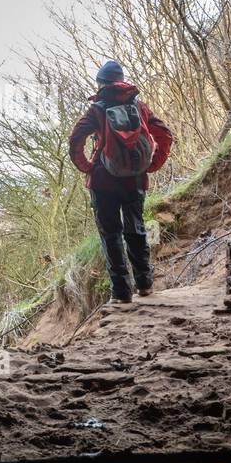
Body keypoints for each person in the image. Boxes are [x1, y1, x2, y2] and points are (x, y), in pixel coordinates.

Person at [67, 60, 173, 304]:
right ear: (122, 81)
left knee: (111, 235)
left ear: (102, 84)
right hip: (135, 179)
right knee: (136, 229)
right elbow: (164, 134)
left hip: (103, 181)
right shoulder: (140, 107)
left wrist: (88, 167)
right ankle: (145, 284)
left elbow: (75, 141)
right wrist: (152, 164)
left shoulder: (97, 110)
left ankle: (121, 293)